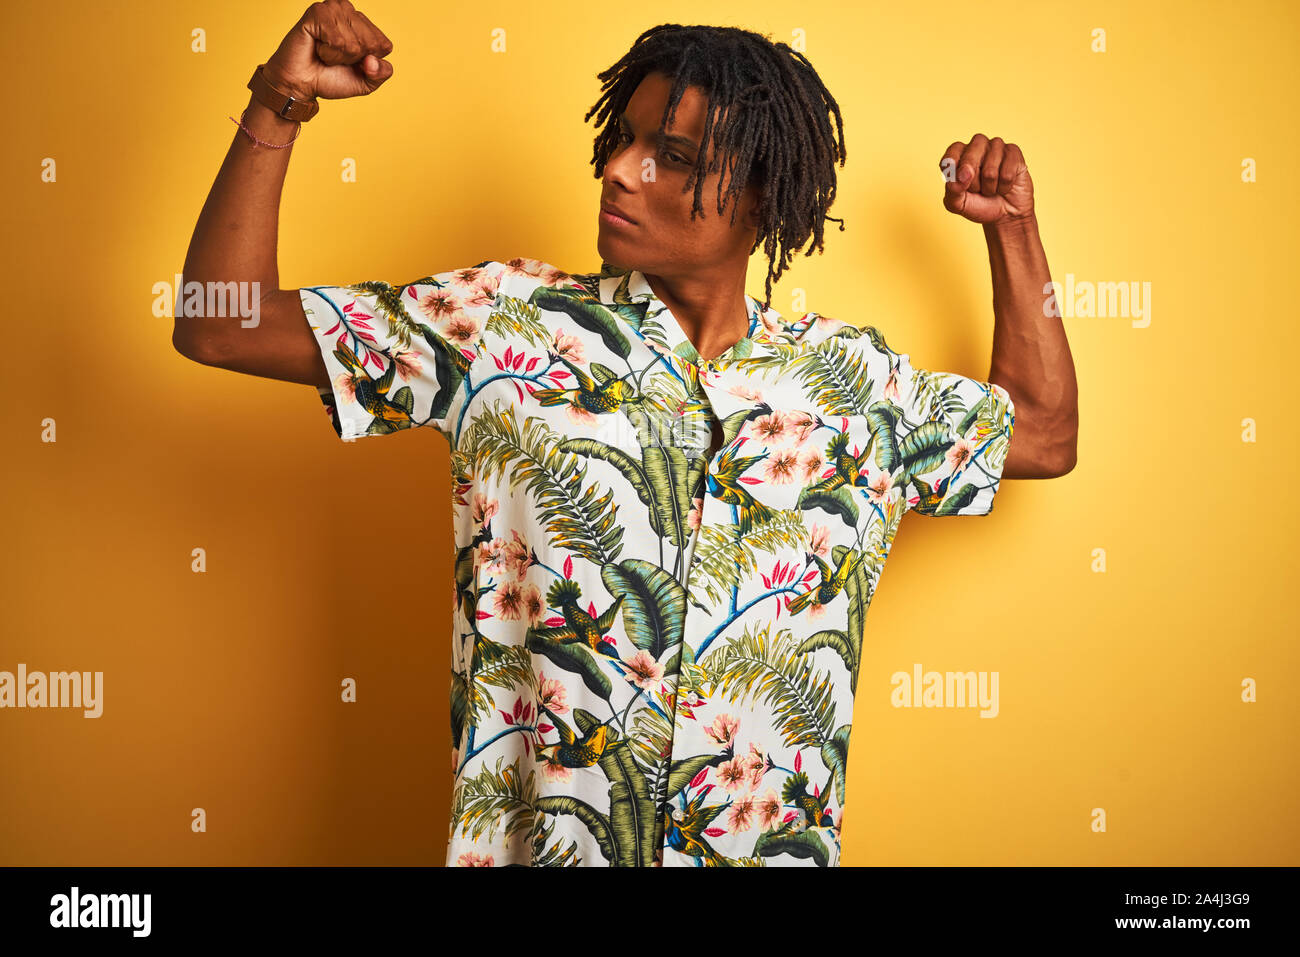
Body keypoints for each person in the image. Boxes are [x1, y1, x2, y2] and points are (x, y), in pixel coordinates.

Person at [174, 1, 1078, 867]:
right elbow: (223, 322)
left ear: (766, 193)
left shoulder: (855, 387)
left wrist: (1014, 232)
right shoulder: (502, 324)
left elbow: (1041, 433)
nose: (620, 169)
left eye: (673, 155)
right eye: (625, 140)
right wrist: (279, 101)